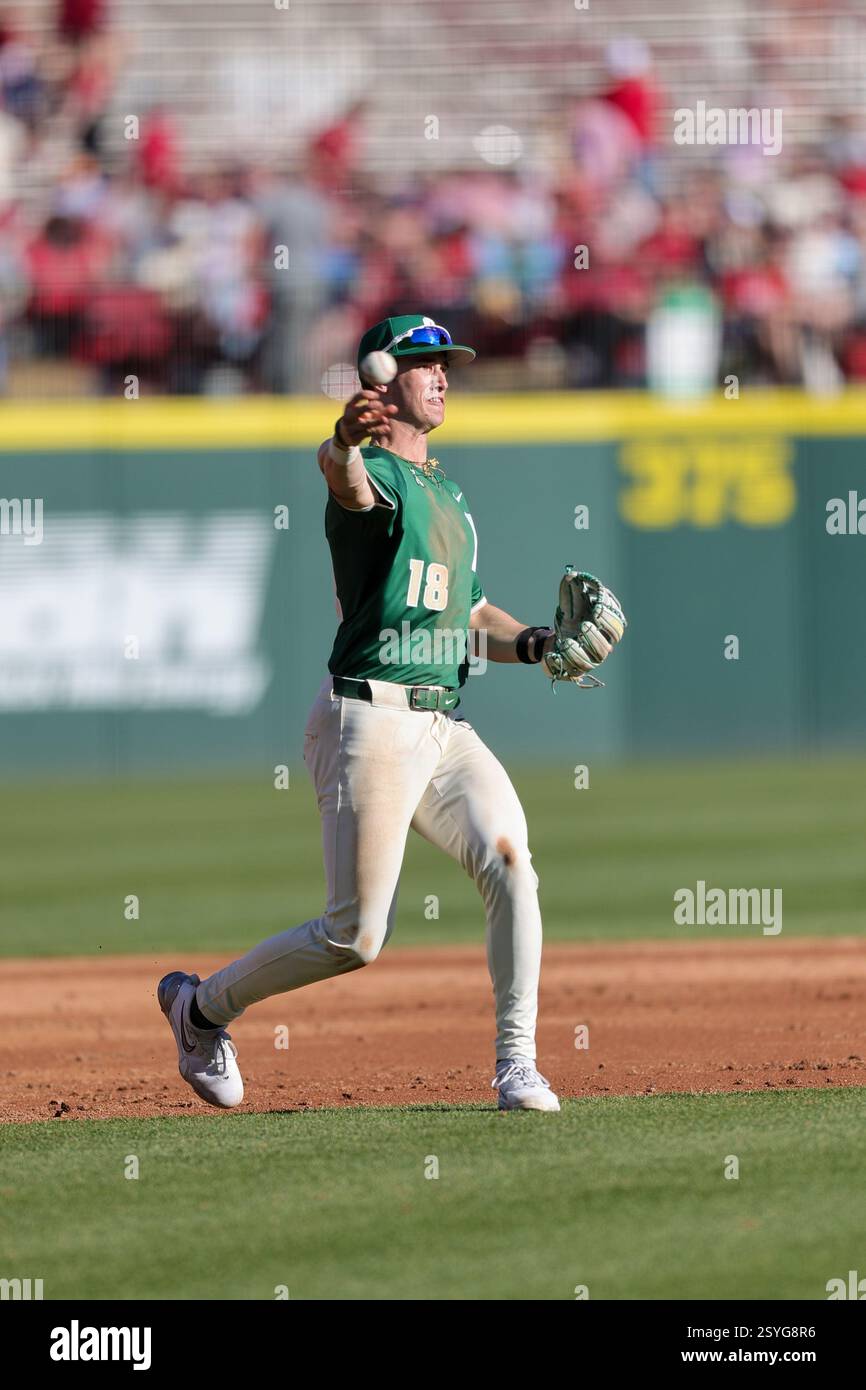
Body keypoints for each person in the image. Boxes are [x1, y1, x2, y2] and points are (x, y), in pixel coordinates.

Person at [157, 313, 626, 1112]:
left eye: (449, 364)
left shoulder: (446, 489)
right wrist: (342, 437)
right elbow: (340, 476)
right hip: (367, 719)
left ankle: (517, 1064)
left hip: (444, 724)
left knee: (512, 863)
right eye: (426, 363)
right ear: (384, 382)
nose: (444, 375)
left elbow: (469, 619)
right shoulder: (373, 470)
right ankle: (199, 1010)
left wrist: (541, 642)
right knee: (354, 937)